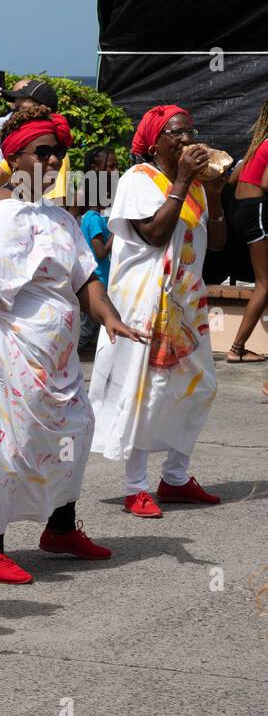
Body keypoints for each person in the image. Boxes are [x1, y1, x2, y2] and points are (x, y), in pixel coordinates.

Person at [0, 108, 143, 583]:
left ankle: (59, 529)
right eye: (43, 152)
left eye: (59, 152)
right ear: (15, 156)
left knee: (72, 432)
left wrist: (111, 317)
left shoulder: (59, 216)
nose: (55, 159)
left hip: (56, 357)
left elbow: (85, 280)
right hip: (10, 353)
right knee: (7, 446)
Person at [89, 105, 226, 517]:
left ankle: (176, 477)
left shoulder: (197, 185)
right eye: (176, 134)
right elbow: (153, 234)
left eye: (190, 131)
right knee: (142, 390)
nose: (187, 140)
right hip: (143, 302)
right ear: (154, 142)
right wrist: (182, 180)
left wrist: (215, 195)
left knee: (199, 386)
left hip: (185, 301)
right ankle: (136, 485)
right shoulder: (138, 180)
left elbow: (217, 242)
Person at [225, 99, 268, 363]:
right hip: (256, 212)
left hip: (240, 210)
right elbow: (265, 182)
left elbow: (231, 179)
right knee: (265, 285)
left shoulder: (257, 143)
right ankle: (237, 349)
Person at [76, 147, 119, 356]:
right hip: (95, 276)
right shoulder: (90, 214)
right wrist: (118, 230)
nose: (115, 171)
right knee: (88, 325)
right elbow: (99, 250)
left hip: (103, 274)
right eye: (111, 166)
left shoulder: (115, 192)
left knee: (95, 323)